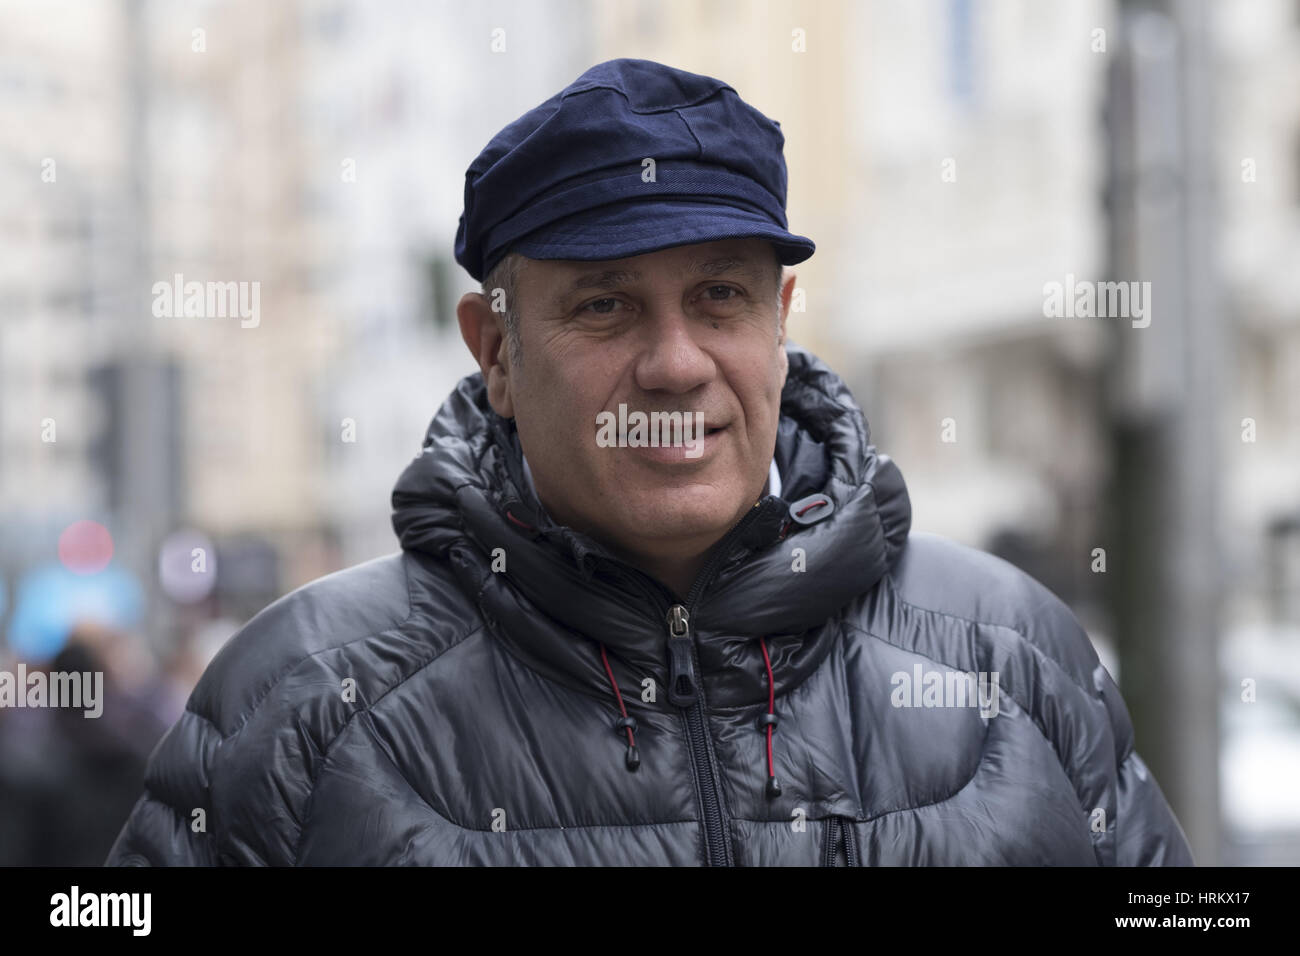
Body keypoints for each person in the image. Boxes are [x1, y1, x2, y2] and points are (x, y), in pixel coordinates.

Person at [106, 57, 1193, 866]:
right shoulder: (297, 701)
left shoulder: (1017, 661)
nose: (675, 363)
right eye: (605, 305)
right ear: (495, 350)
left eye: (719, 295)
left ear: (781, 321)